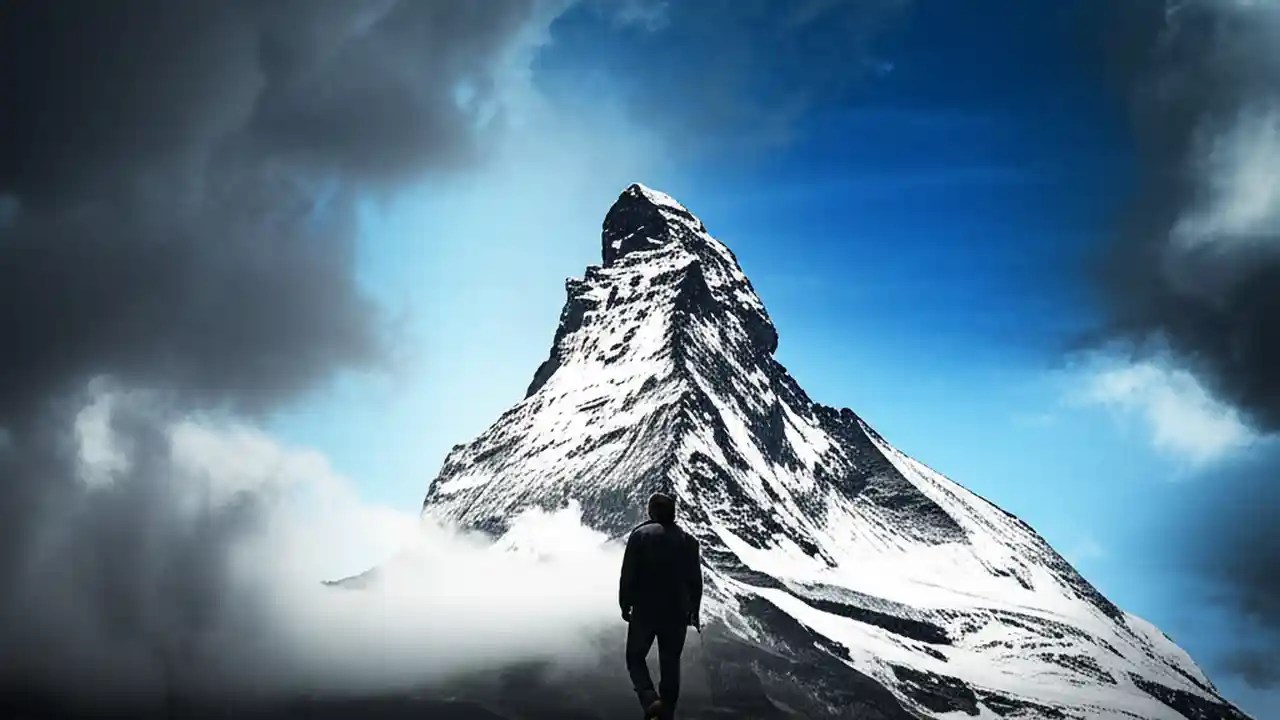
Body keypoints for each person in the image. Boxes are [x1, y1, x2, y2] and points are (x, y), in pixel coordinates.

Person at [619, 492, 702, 720]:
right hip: (676, 613)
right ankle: (667, 710)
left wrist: (625, 603)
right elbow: (696, 581)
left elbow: (628, 573)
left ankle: (650, 699)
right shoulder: (689, 541)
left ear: (651, 511)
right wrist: (694, 611)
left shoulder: (640, 535)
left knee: (635, 657)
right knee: (671, 661)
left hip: (645, 610)